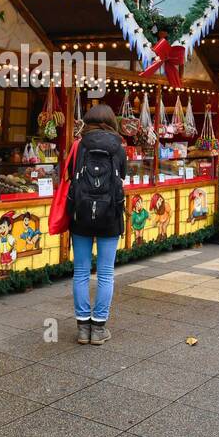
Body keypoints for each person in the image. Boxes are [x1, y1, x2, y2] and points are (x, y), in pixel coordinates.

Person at [66, 103, 127, 345]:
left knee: (80, 271)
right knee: (105, 273)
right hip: (110, 216)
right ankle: (99, 328)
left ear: (87, 121)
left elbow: (70, 174)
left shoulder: (79, 145)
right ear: (112, 121)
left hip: (80, 215)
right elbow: (122, 176)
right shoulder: (118, 147)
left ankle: (83, 328)